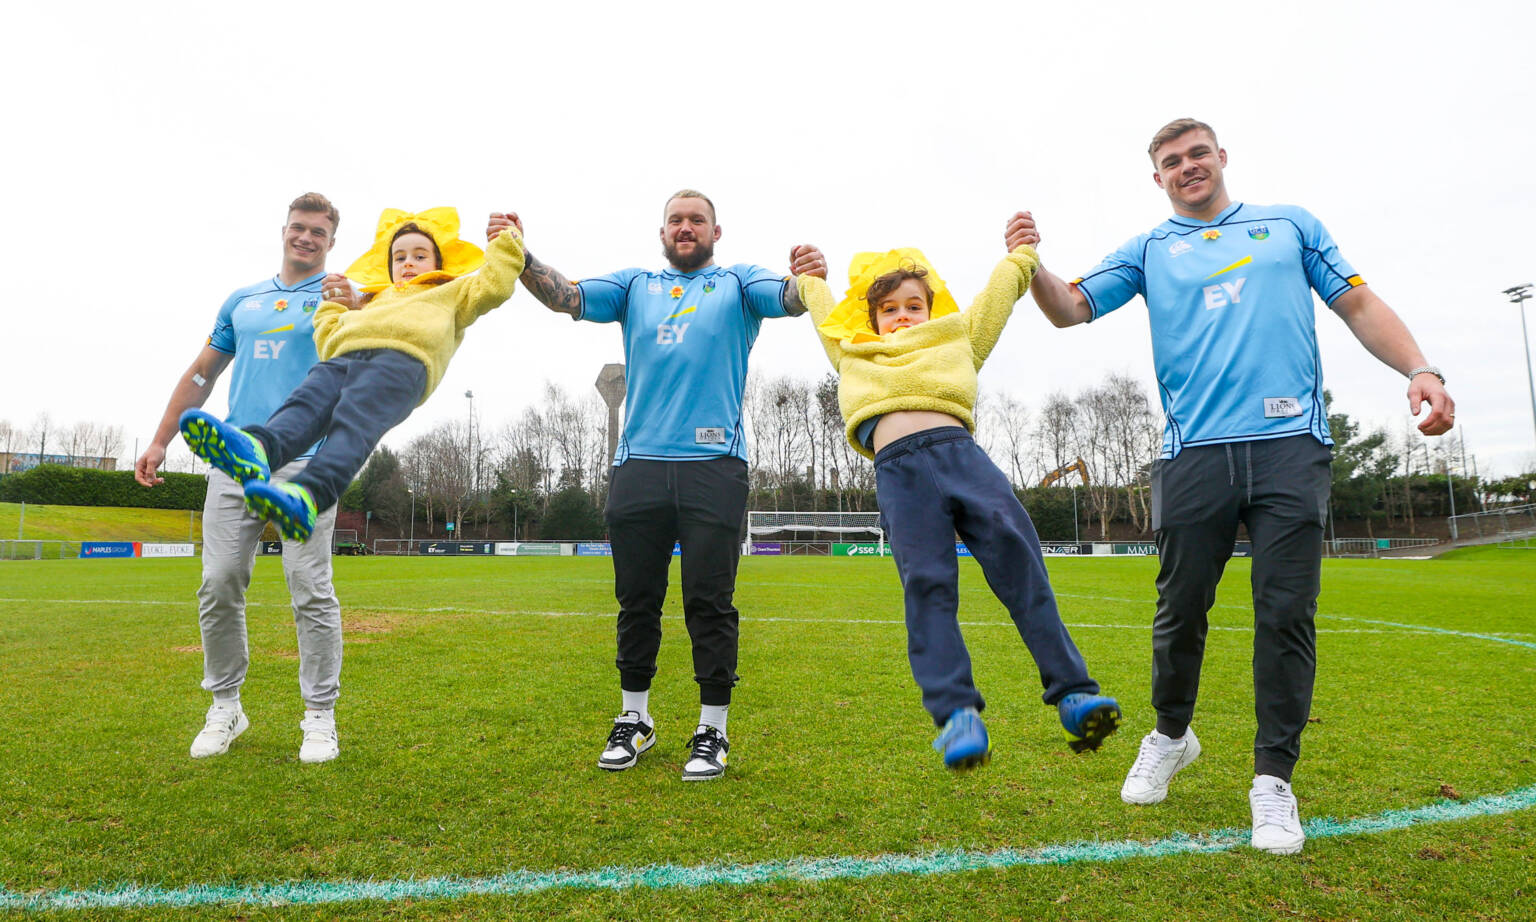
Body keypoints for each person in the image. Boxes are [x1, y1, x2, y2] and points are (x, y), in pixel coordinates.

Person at [1022, 118, 1455, 853]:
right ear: (1156, 177)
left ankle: (1272, 780)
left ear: (1222, 158)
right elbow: (1071, 308)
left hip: (1292, 447)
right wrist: (1029, 264)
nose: (1187, 166)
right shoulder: (1148, 249)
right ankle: (1170, 735)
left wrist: (1420, 368)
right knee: (1180, 610)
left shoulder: (1290, 227)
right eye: (1171, 161)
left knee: (1285, 612)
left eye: (1198, 154)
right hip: (1194, 455)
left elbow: (1357, 303)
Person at [489, 191, 824, 780]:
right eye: (677, 220)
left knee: (709, 602)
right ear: (662, 232)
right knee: (636, 601)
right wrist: (519, 252)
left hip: (714, 464)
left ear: (717, 231)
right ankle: (634, 719)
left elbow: (792, 299)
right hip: (637, 465)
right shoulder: (633, 286)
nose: (686, 227)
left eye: (697, 220)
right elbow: (565, 296)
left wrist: (806, 277)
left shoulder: (739, 284)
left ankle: (711, 729)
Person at [794, 227, 1121, 770]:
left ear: (931, 307)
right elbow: (824, 304)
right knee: (927, 586)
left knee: (1022, 564)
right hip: (901, 475)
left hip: (963, 458)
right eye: (890, 309)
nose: (903, 316)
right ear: (871, 318)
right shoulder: (852, 350)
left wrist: (1021, 255)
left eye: (914, 306)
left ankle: (1074, 694)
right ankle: (957, 716)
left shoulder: (958, 336)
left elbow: (999, 294)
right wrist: (811, 277)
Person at [136, 193, 346, 764]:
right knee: (220, 580)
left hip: (307, 463)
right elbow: (202, 374)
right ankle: (226, 706)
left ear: (332, 241)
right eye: (299, 228)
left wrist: (357, 306)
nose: (306, 238)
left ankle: (320, 717)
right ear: (283, 230)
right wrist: (161, 439)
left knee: (310, 587)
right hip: (236, 458)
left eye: (318, 232)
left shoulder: (342, 296)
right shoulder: (243, 301)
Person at [179, 207, 524, 546]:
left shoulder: (452, 292)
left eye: (420, 256)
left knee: (353, 420)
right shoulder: (372, 301)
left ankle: (308, 495)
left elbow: (494, 286)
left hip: (403, 363)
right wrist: (332, 306)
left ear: (439, 263)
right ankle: (259, 448)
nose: (408, 263)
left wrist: (506, 241)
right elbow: (329, 343)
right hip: (345, 358)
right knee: (306, 401)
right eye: (400, 257)